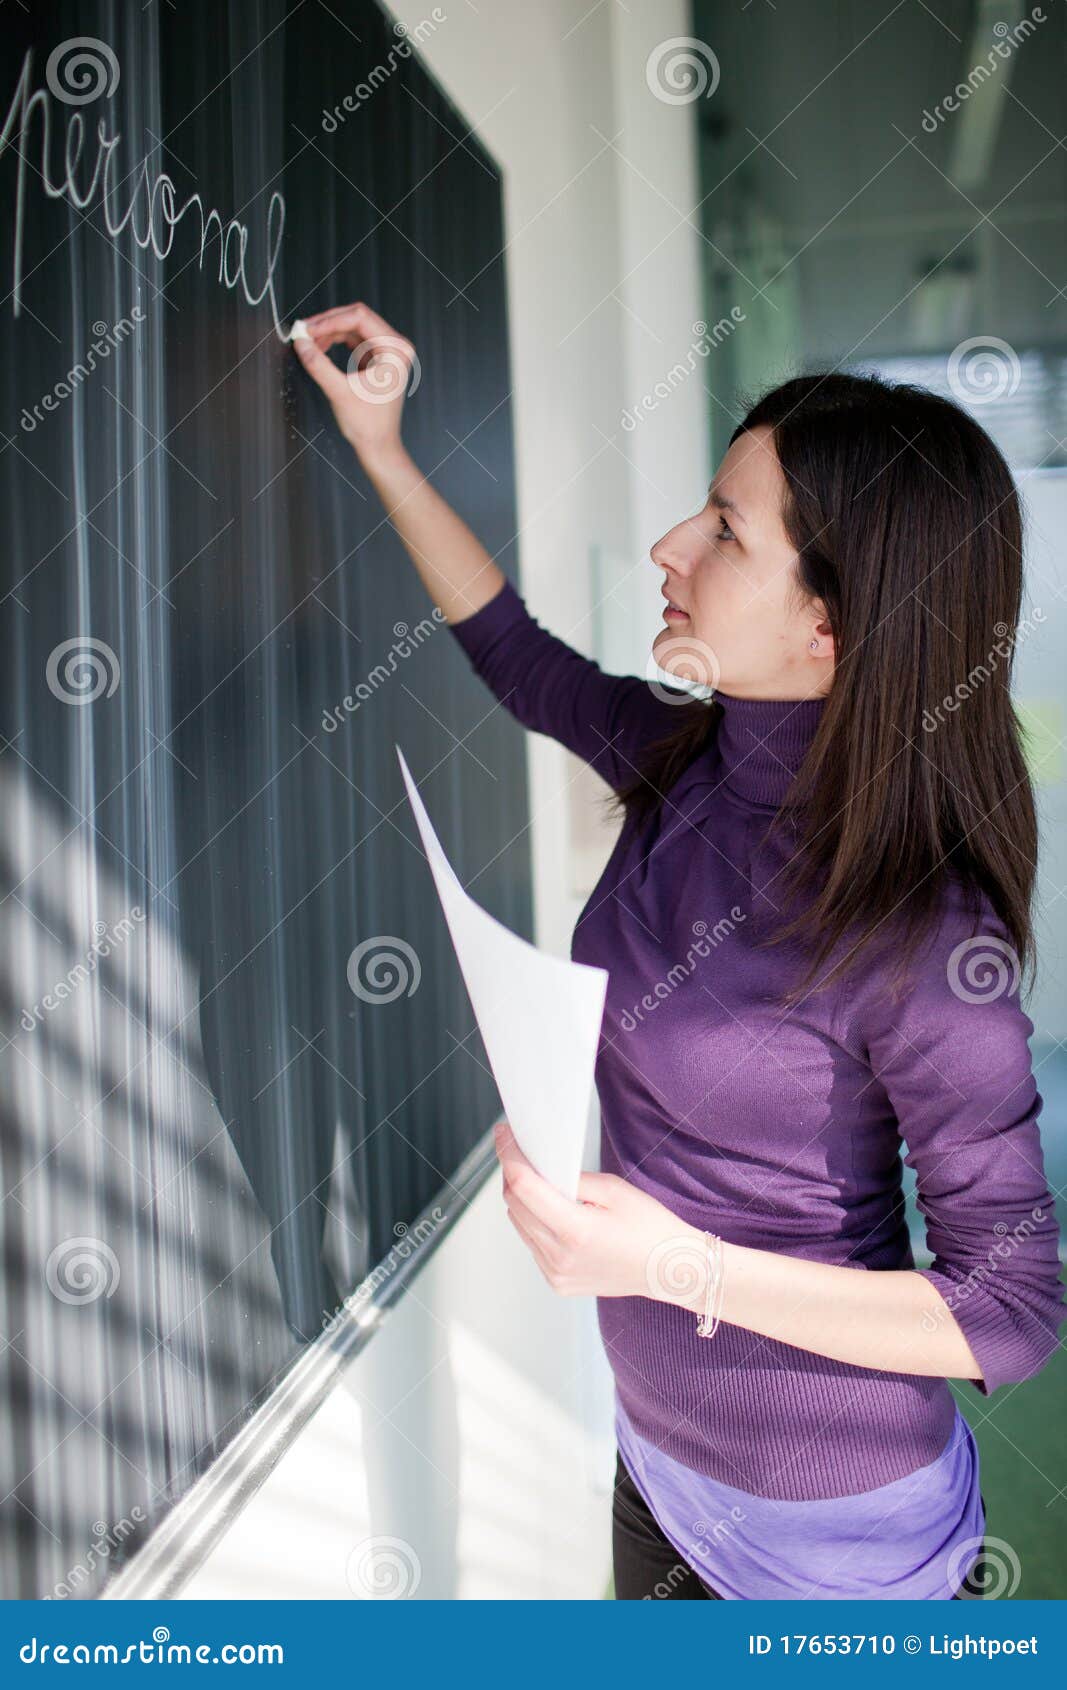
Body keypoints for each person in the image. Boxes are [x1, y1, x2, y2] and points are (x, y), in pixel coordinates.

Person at [292, 303, 1064, 1601]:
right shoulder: (683, 757)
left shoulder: (924, 937)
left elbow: (1013, 1309)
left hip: (831, 1547)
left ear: (831, 625)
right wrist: (380, 447)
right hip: (657, 1459)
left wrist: (668, 1264)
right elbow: (517, 658)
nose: (667, 546)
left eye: (722, 530)